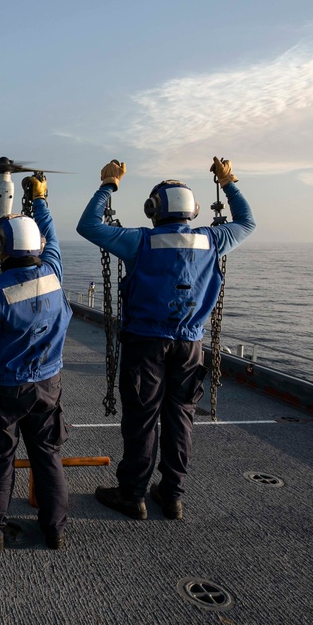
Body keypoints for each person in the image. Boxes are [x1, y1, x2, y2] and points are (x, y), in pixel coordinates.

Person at [77, 157, 256, 520]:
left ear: (152, 210)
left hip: (145, 343)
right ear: (193, 210)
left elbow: (89, 226)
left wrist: (108, 184)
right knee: (180, 417)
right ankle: (172, 495)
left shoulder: (139, 242)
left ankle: (133, 495)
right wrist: (228, 182)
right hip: (190, 345)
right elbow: (247, 222)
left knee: (142, 419)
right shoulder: (213, 240)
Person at [0, 175, 73, 552]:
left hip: (5, 391)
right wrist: (40, 201)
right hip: (48, 385)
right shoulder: (54, 272)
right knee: (48, 455)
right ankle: (55, 530)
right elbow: (51, 239)